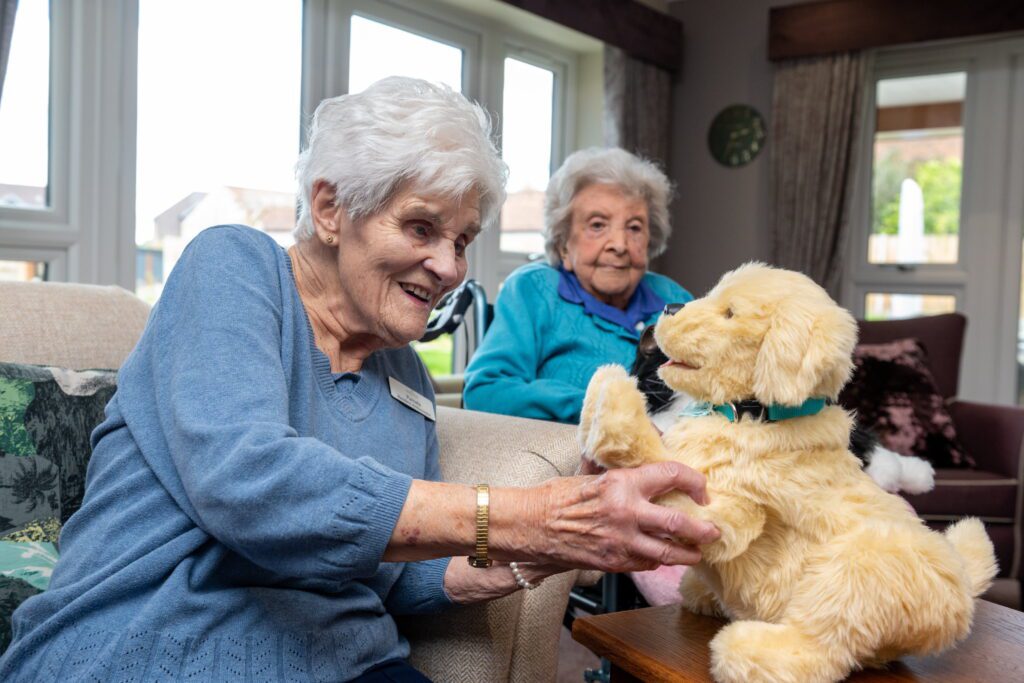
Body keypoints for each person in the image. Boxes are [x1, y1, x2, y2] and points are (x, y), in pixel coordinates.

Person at [0, 78, 718, 682]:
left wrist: (543, 551)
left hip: (349, 662)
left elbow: (397, 576)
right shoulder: (234, 268)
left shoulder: (405, 376)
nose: (449, 267)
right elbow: (247, 481)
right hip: (150, 646)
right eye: (421, 228)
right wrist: (527, 513)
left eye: (462, 240)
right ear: (329, 208)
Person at [463, 147, 693, 424]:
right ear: (563, 244)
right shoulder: (534, 291)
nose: (619, 245)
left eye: (634, 228)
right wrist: (599, 407)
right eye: (598, 225)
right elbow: (485, 390)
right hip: (568, 448)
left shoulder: (673, 298)